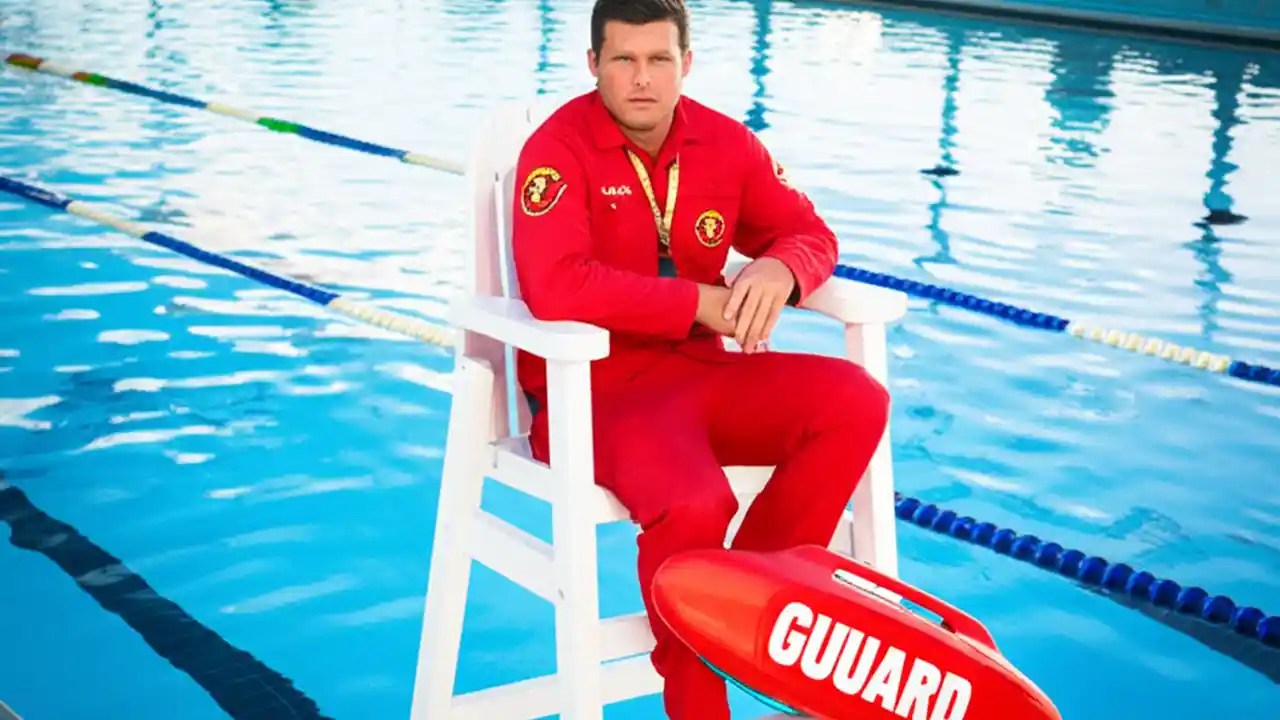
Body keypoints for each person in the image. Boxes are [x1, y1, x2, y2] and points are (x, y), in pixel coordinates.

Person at [510, 0, 891, 717]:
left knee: (855, 401)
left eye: (659, 60)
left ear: (686, 63)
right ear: (594, 65)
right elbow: (555, 285)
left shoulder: (724, 144)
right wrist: (702, 305)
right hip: (593, 395)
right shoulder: (556, 150)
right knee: (695, 502)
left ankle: (750, 602)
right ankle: (696, 694)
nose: (642, 79)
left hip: (700, 376)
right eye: (623, 60)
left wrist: (782, 269)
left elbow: (808, 231)